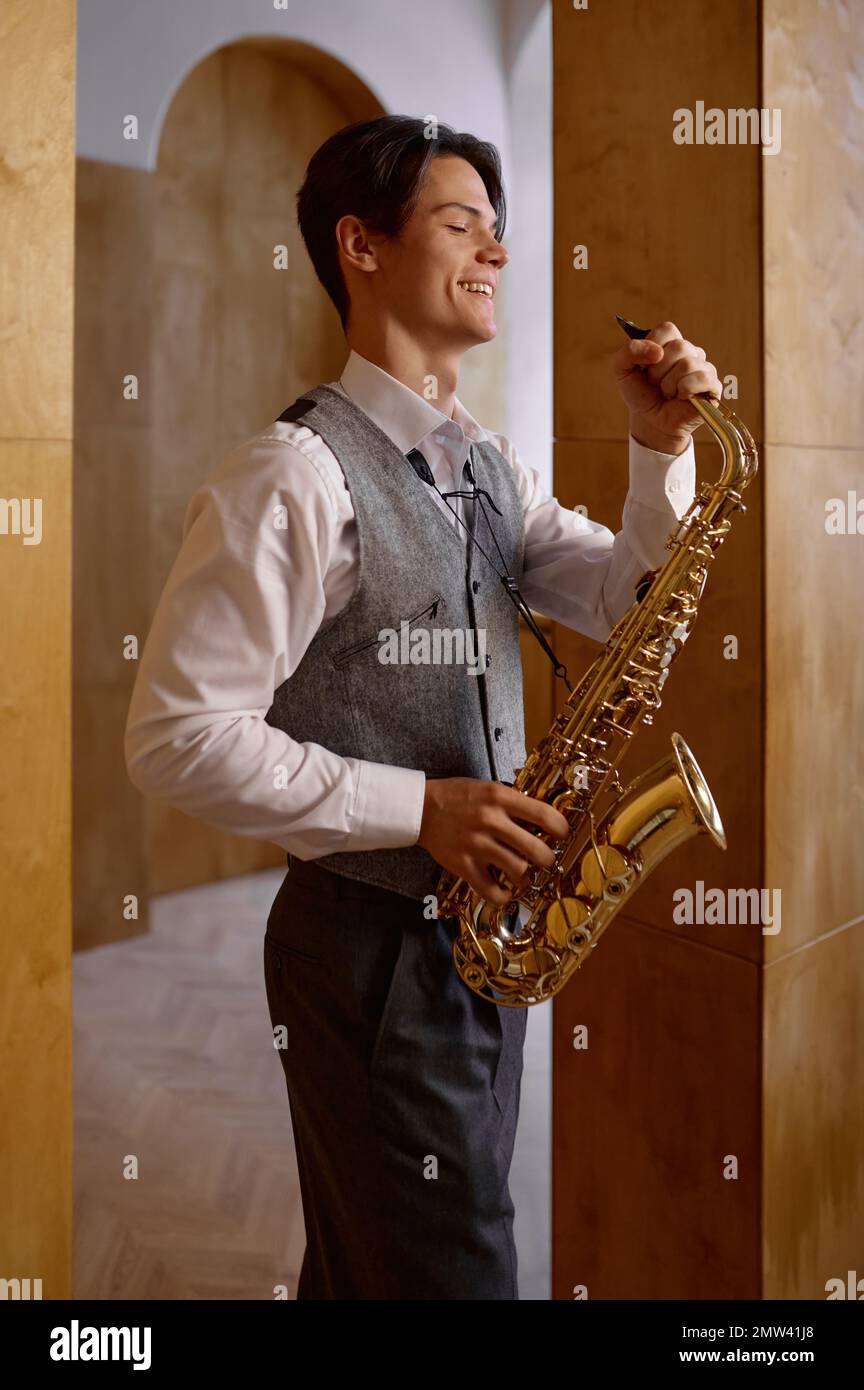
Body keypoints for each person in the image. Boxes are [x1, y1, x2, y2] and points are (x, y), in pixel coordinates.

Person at [124, 114, 721, 1300]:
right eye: (462, 225)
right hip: (366, 950)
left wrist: (663, 453)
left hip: (484, 946)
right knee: (447, 1267)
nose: (496, 251)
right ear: (361, 244)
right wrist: (422, 809)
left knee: (384, 1259)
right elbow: (176, 736)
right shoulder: (290, 475)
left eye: (500, 231)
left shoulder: (492, 463)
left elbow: (621, 595)